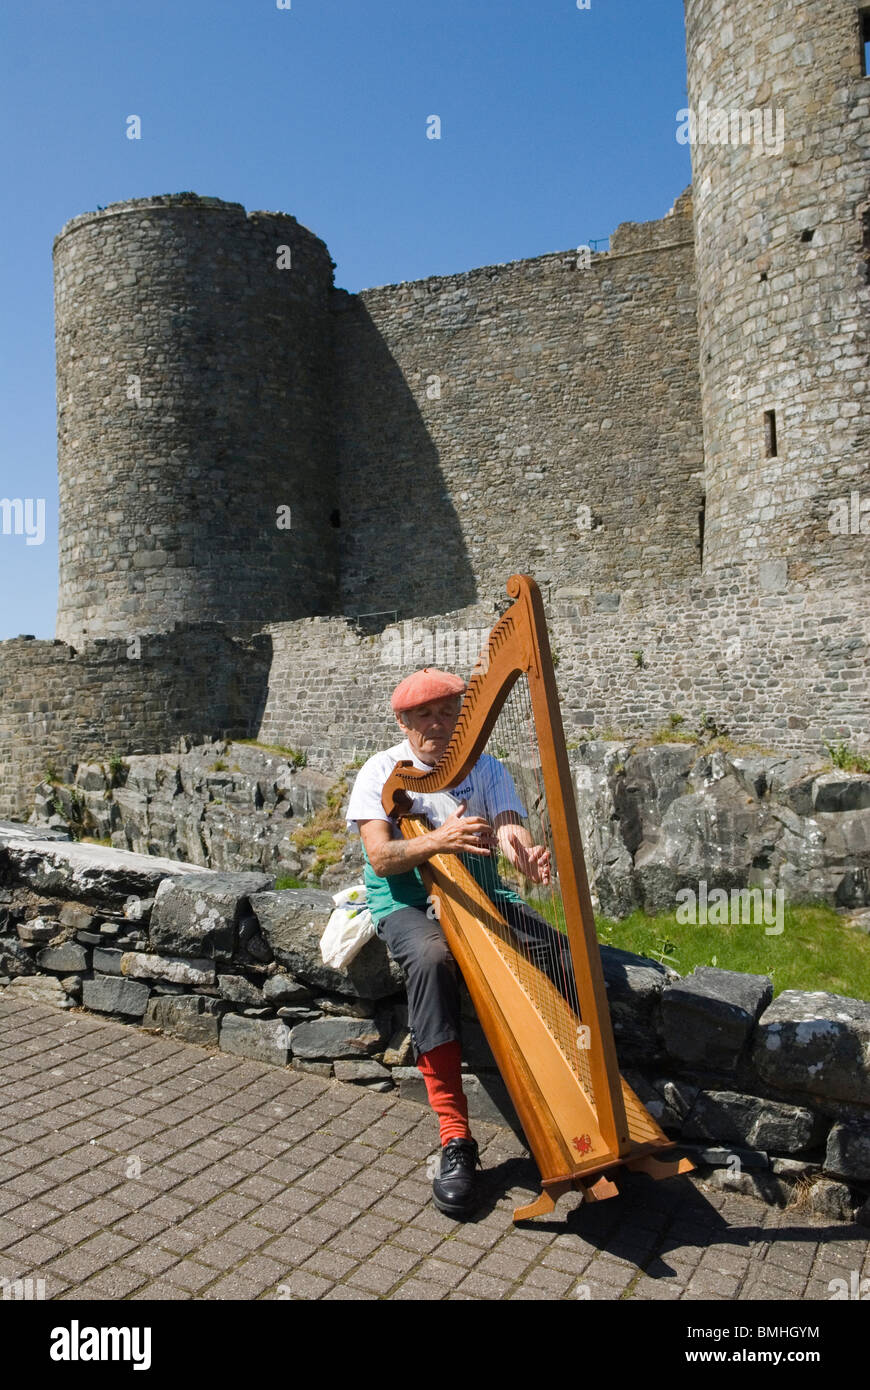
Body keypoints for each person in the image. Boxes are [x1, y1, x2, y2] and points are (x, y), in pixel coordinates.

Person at [345, 666, 574, 1218]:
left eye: (448, 711)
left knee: (562, 954)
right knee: (431, 958)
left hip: (483, 894)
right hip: (406, 902)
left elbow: (510, 827)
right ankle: (454, 1138)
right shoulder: (379, 772)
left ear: (464, 718)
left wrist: (524, 853)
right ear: (403, 721)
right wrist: (440, 840)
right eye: (424, 714)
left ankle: (573, 1096)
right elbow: (379, 856)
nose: (437, 723)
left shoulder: (487, 768)